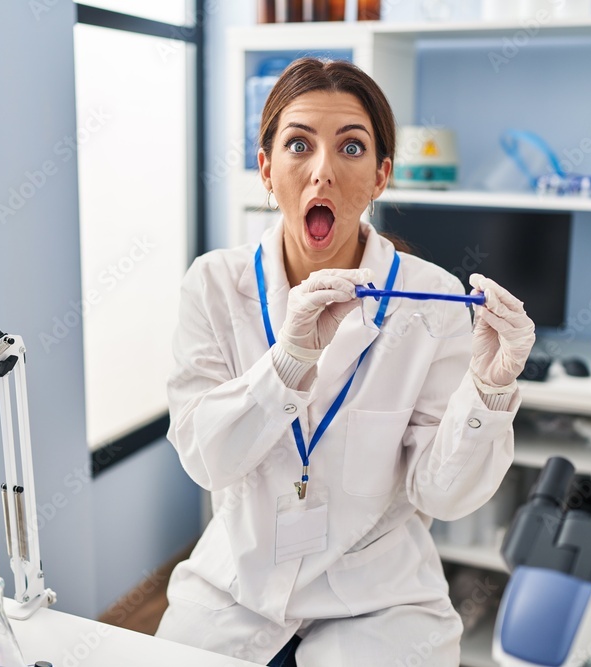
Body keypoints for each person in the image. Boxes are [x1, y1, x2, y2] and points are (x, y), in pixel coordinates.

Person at [156, 57, 535, 666]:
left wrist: (489, 393)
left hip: (378, 601)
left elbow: (440, 495)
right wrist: (289, 361)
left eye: (351, 148)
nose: (323, 172)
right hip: (238, 587)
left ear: (381, 175)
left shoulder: (431, 302)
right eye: (298, 144)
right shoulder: (214, 286)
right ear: (266, 168)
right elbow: (208, 458)